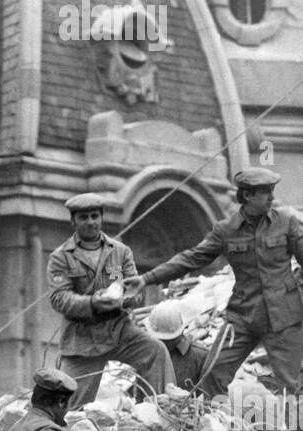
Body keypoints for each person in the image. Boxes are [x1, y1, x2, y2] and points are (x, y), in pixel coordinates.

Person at [126, 168, 303, 411]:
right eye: (265, 193)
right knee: (211, 376)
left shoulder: (287, 222)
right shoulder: (227, 230)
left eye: (272, 191)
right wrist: (146, 278)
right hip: (243, 318)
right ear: (248, 196)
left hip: (284, 318)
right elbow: (191, 258)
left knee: (289, 389)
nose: (272, 197)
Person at [47, 193, 175, 409]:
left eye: (95, 216)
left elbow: (136, 290)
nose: (90, 222)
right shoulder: (61, 257)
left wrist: (127, 298)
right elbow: (59, 298)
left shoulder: (121, 252)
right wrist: (93, 303)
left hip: (119, 331)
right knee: (70, 403)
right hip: (83, 340)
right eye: (84, 217)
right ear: (73, 221)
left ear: (102, 218)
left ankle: (162, 410)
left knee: (156, 351)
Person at [145, 301, 210, 392]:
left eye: (169, 340)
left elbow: (207, 396)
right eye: (162, 340)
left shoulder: (200, 356)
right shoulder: (144, 352)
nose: (164, 344)